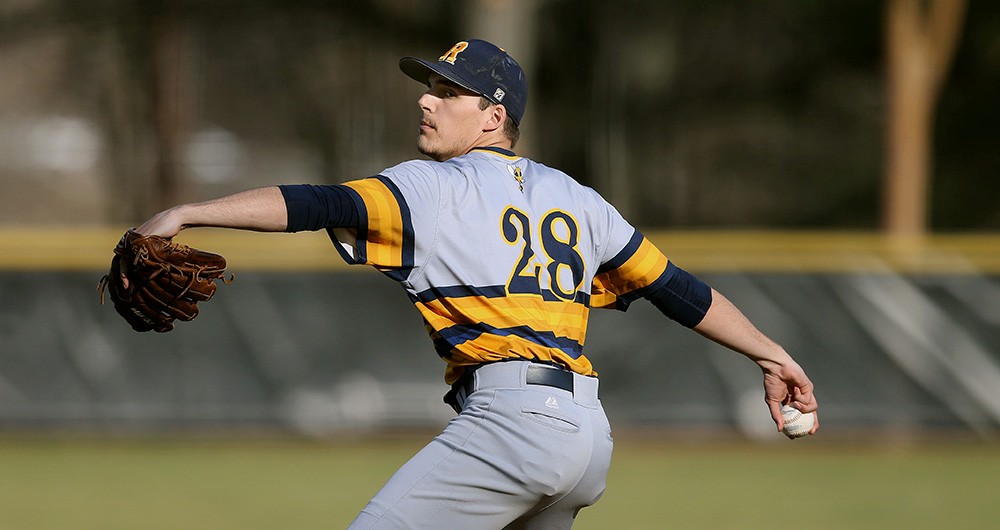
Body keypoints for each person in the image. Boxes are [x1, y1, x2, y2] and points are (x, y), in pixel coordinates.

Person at [134, 39, 819, 529]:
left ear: (493, 117)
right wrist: (772, 355)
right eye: (429, 88)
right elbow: (678, 291)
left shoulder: (431, 184)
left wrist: (191, 211)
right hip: (585, 439)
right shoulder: (577, 198)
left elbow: (319, 204)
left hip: (512, 427)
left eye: (448, 92)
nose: (427, 103)